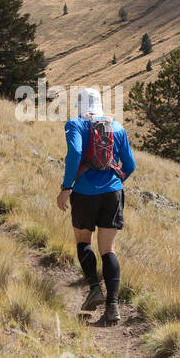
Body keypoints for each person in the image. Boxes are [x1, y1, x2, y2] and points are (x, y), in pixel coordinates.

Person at [56, 87, 136, 325]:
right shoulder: (117, 127)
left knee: (83, 242)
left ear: (80, 106)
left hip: (83, 193)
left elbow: (75, 152)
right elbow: (130, 165)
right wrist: (114, 182)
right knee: (108, 249)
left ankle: (94, 289)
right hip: (113, 193)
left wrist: (66, 187)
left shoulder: (76, 124)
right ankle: (112, 306)